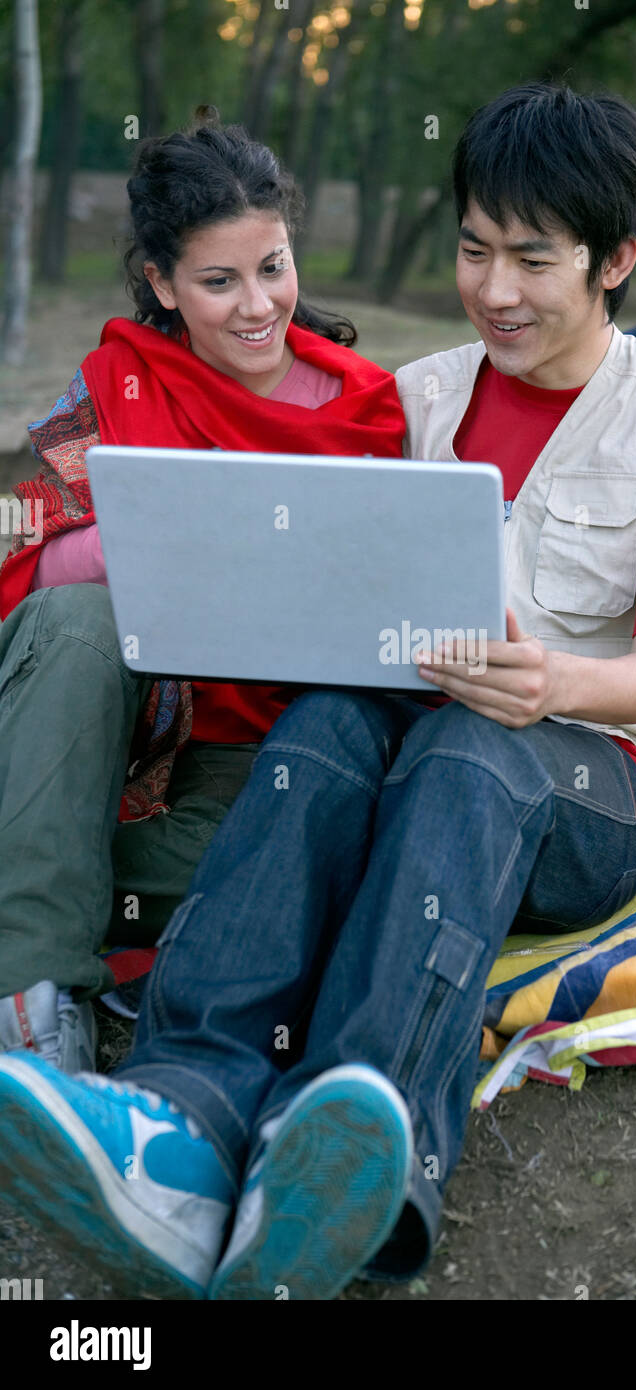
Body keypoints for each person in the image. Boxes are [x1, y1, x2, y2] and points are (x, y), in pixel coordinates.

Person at [0, 84, 636, 1300]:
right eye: (471, 249)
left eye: (530, 259)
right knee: (328, 724)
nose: (493, 290)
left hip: (588, 781)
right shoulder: (420, 401)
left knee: (471, 752)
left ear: (613, 259)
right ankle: (179, 1116)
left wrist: (547, 679)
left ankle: (364, 1140)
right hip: (424, 731)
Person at [0, 107, 405, 1072]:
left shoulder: (365, 409)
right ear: (162, 283)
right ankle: (31, 999)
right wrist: (167, 544)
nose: (258, 305)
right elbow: (28, 563)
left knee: (296, 881)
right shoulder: (118, 382)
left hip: (259, 761)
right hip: (108, 730)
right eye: (218, 282)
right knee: (77, 617)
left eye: (273, 267)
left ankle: (38, 886)